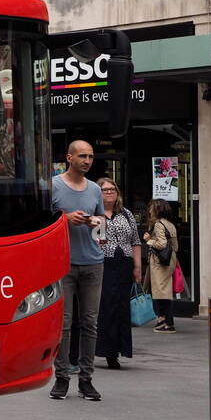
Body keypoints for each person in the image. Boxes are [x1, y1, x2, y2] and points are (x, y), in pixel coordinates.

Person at [49, 141, 104, 401]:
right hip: (62, 263)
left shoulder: (94, 189)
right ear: (69, 157)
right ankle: (61, 378)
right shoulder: (53, 185)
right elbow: (43, 221)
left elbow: (101, 229)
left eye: (91, 156)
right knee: (65, 323)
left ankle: (86, 379)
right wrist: (65, 218)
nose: (87, 160)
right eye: (82, 156)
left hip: (93, 262)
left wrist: (96, 223)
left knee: (90, 323)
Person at [94, 179, 142, 369]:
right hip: (104, 264)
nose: (109, 193)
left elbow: (136, 241)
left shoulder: (127, 214)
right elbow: (96, 242)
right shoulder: (96, 215)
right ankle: (108, 352)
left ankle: (121, 350)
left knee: (122, 307)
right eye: (105, 190)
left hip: (124, 264)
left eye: (112, 189)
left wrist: (137, 267)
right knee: (106, 306)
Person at [142, 200, 179, 332]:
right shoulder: (170, 224)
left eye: (151, 208)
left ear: (157, 210)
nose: (149, 211)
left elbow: (162, 244)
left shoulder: (158, 224)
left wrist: (148, 240)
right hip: (170, 259)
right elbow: (175, 246)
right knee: (164, 290)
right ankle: (165, 320)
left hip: (160, 261)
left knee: (160, 292)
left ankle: (165, 321)